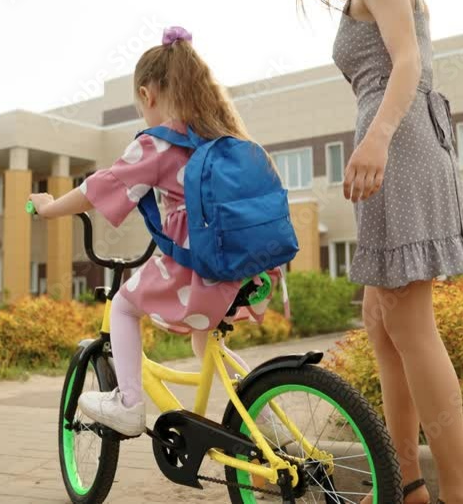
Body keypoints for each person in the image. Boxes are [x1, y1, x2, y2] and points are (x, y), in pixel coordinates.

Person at [279, 0, 463, 504]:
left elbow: (409, 62)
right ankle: (404, 485)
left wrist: (377, 138)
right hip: (397, 142)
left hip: (400, 145)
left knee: (411, 324)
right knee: (381, 320)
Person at [28, 26, 283, 440]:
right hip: (248, 265)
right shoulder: (225, 135)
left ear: (147, 95)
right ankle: (266, 420)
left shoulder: (159, 144)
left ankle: (129, 404)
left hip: (199, 270)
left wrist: (50, 207)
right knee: (206, 344)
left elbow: (101, 186)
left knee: (125, 307)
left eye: (140, 104)